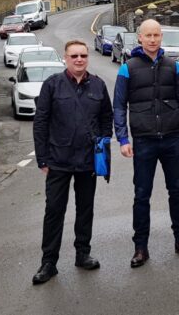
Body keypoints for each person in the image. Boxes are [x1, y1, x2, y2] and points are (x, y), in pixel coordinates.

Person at [113, 19, 179, 268]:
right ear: (139, 38)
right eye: (147, 35)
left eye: (156, 35)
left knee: (177, 192)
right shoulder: (127, 68)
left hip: (172, 139)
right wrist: (122, 138)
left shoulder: (174, 67)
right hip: (143, 141)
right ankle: (140, 247)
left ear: (161, 37)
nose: (152, 39)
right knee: (142, 195)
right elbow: (119, 106)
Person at [32, 39, 113, 285]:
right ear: (65, 59)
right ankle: (49, 262)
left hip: (88, 161)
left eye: (83, 56)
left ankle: (82, 253)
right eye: (74, 56)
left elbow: (106, 118)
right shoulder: (52, 86)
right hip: (58, 160)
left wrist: (103, 144)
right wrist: (42, 157)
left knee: (85, 209)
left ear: (88, 58)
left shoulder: (98, 86)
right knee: (54, 211)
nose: (79, 60)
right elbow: (41, 123)